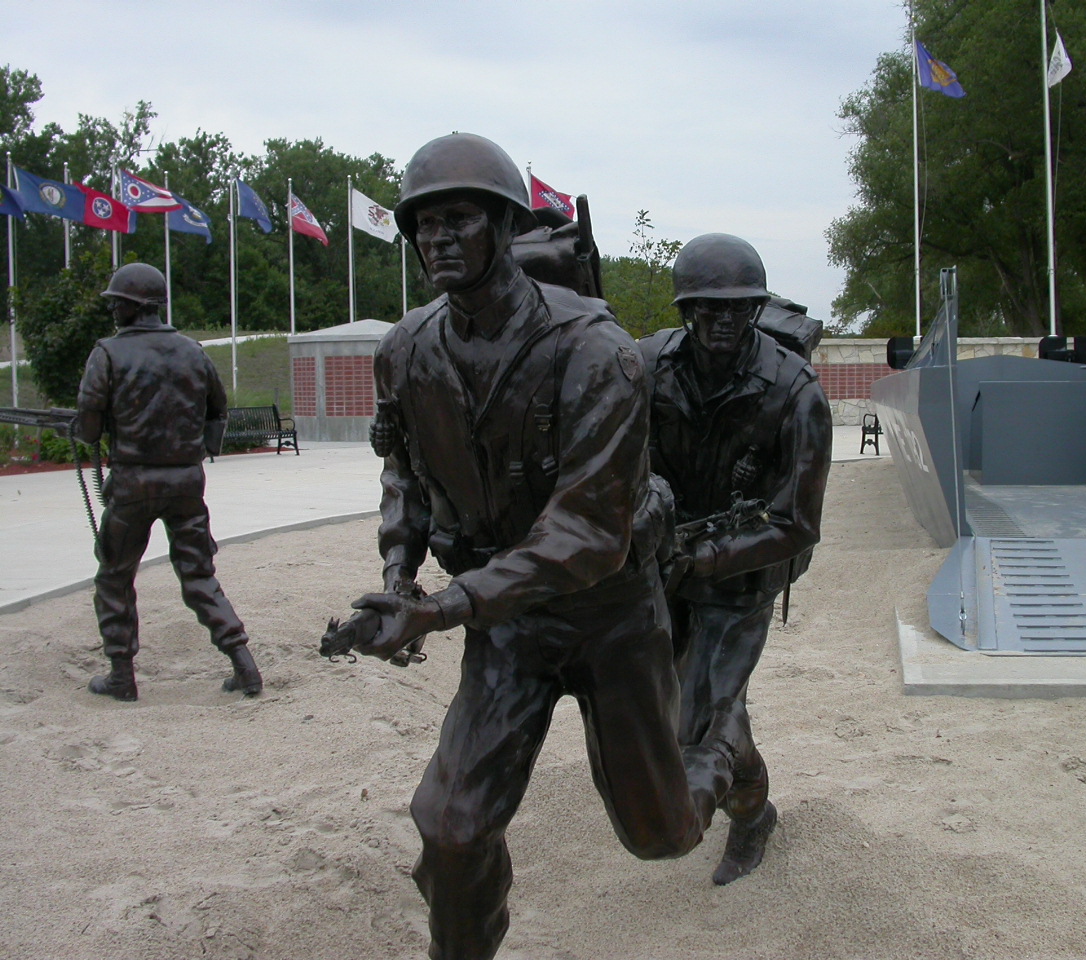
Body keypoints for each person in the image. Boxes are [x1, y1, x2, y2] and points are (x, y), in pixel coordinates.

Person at [342, 133, 761, 960]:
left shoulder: (593, 349)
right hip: (506, 626)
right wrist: (399, 574)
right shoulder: (405, 350)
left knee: (661, 835)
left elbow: (589, 532)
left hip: (611, 618)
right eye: (424, 223)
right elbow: (406, 473)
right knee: (451, 828)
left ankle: (720, 753)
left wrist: (442, 609)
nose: (437, 238)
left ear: (504, 226)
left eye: (459, 219)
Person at [638, 233, 832, 885]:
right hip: (660, 567)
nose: (722, 320)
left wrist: (704, 555)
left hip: (743, 576)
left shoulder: (795, 391)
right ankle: (741, 785)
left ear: (756, 308)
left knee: (703, 720)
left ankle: (750, 814)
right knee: (655, 707)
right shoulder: (648, 366)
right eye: (708, 307)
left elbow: (798, 522)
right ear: (685, 309)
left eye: (738, 307)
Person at [75, 262, 261, 702]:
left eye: (117, 302)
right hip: (186, 484)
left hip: (133, 484)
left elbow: (87, 430)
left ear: (136, 305)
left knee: (115, 577)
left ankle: (122, 676)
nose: (113, 309)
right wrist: (199, 450)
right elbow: (218, 409)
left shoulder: (107, 353)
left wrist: (91, 426)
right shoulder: (192, 351)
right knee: (199, 575)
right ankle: (244, 664)